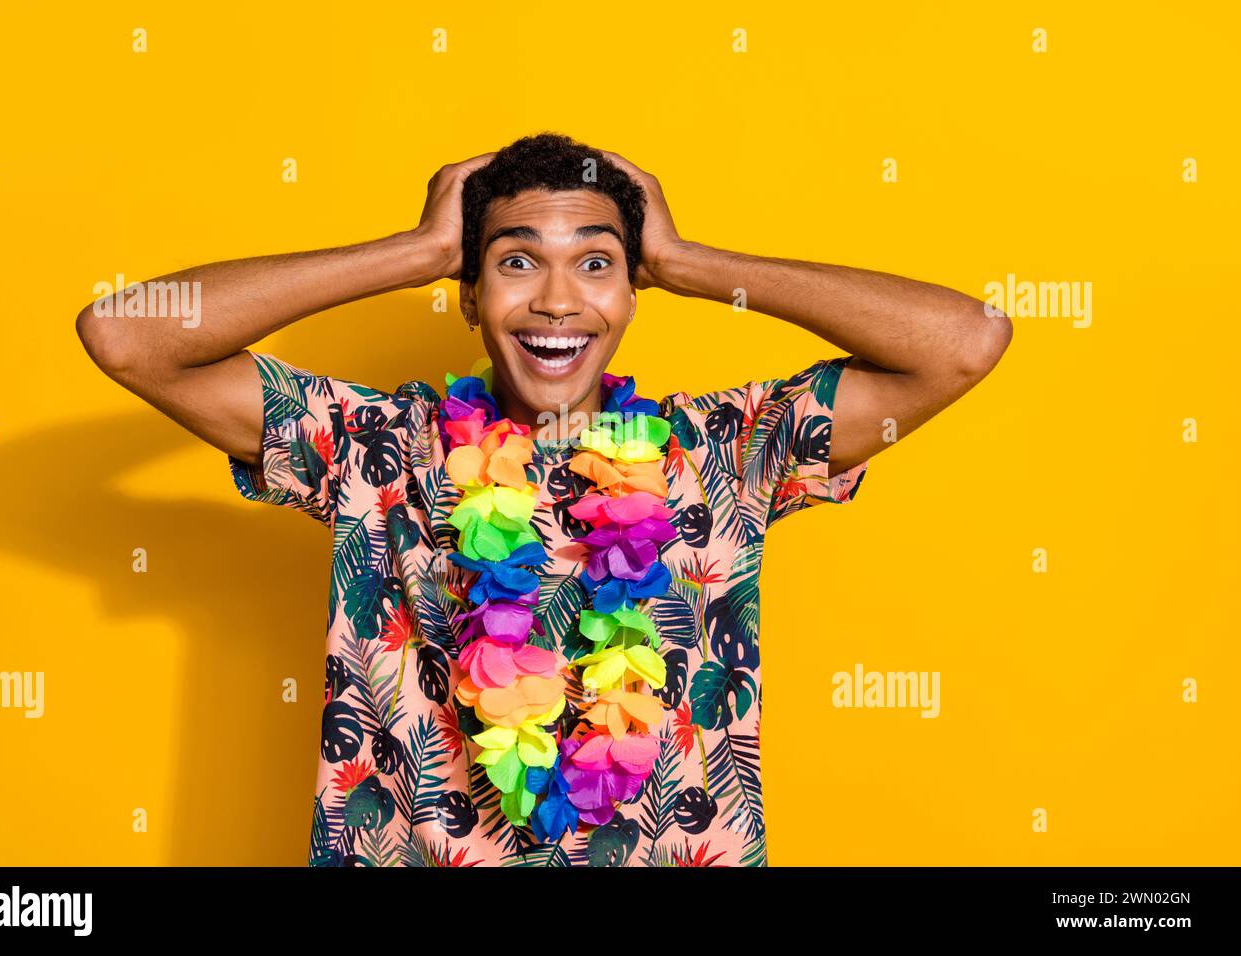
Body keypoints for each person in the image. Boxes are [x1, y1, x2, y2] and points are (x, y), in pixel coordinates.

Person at [76, 132, 1011, 867]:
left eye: (597, 263)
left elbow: (965, 341)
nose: (559, 299)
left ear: (634, 293)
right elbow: (125, 337)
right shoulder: (377, 451)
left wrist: (686, 260)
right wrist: (415, 250)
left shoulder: (726, 451)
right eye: (517, 262)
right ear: (469, 296)